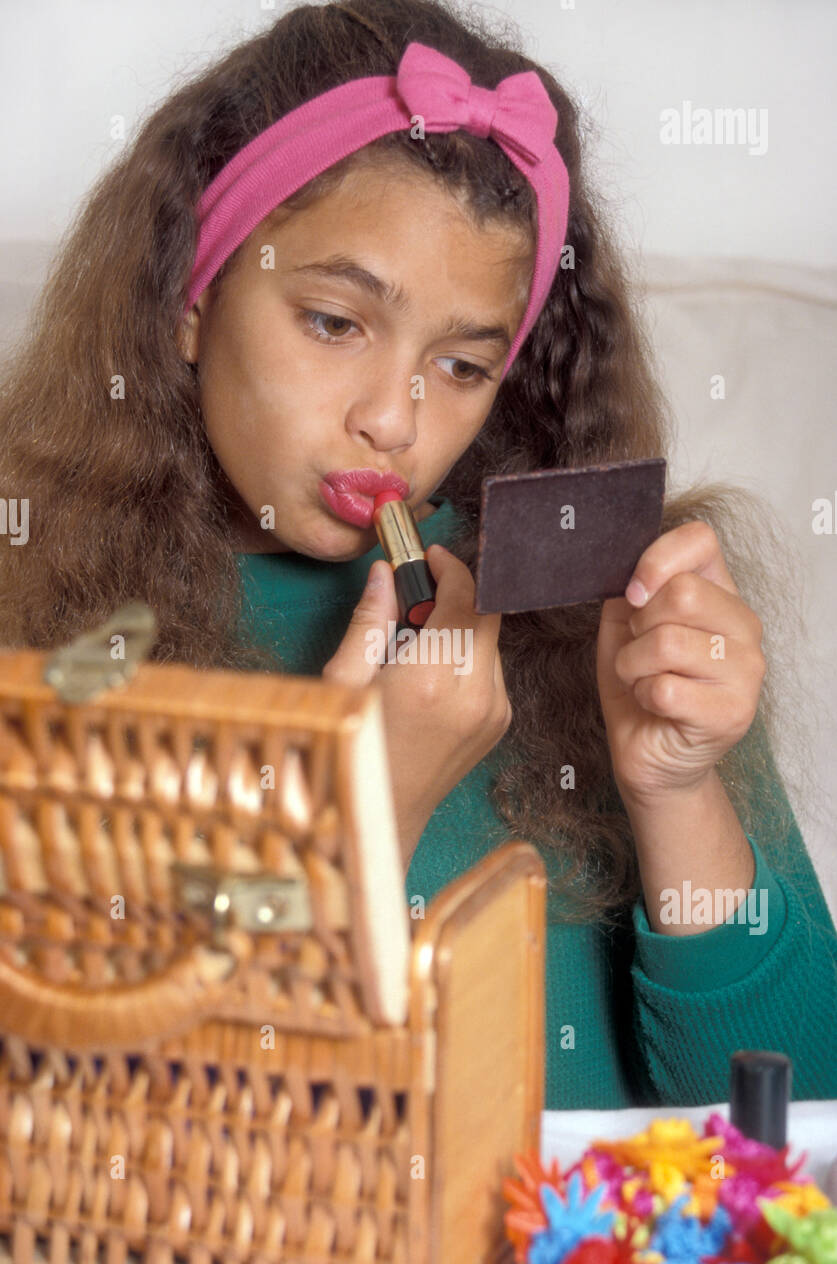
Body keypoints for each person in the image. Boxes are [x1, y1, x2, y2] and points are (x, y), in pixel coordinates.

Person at [1, 0, 834, 1110]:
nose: (394, 421)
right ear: (193, 299)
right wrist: (370, 800)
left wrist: (676, 788)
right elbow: (134, 1166)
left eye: (460, 367)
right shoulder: (43, 621)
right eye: (336, 323)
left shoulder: (619, 598)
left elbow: (796, 1134)